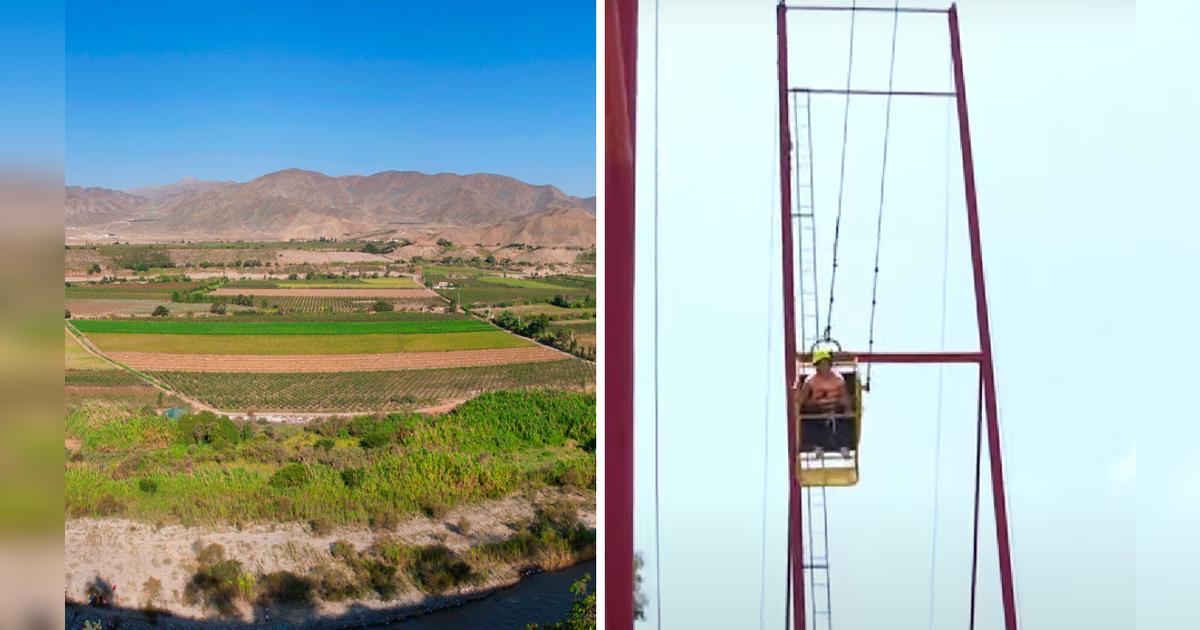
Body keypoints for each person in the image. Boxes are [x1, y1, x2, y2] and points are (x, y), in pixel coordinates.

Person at [795, 348, 853, 458]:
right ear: (817, 366)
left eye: (826, 364)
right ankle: (818, 447)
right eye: (821, 365)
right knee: (813, 420)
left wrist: (847, 408)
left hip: (835, 407)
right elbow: (802, 398)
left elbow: (844, 396)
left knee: (842, 420)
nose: (824, 367)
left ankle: (844, 447)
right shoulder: (811, 380)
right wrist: (798, 404)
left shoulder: (838, 379)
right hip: (818, 408)